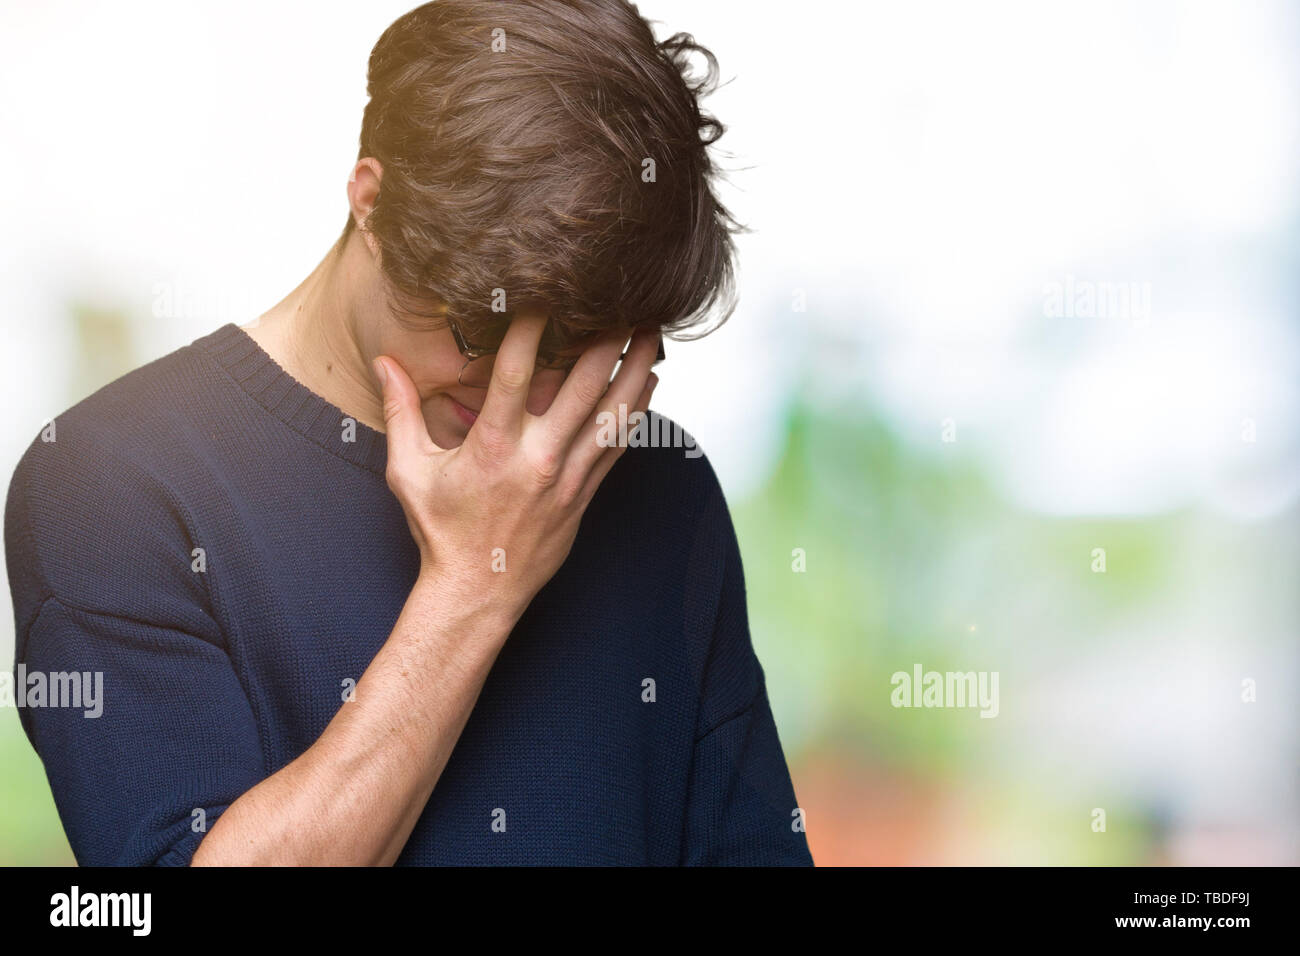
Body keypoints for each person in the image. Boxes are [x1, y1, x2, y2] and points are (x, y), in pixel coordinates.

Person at [5, 0, 813, 865]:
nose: (523, 390)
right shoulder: (111, 485)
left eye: (572, 353)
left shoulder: (653, 482)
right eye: (481, 331)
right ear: (371, 204)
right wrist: (474, 585)